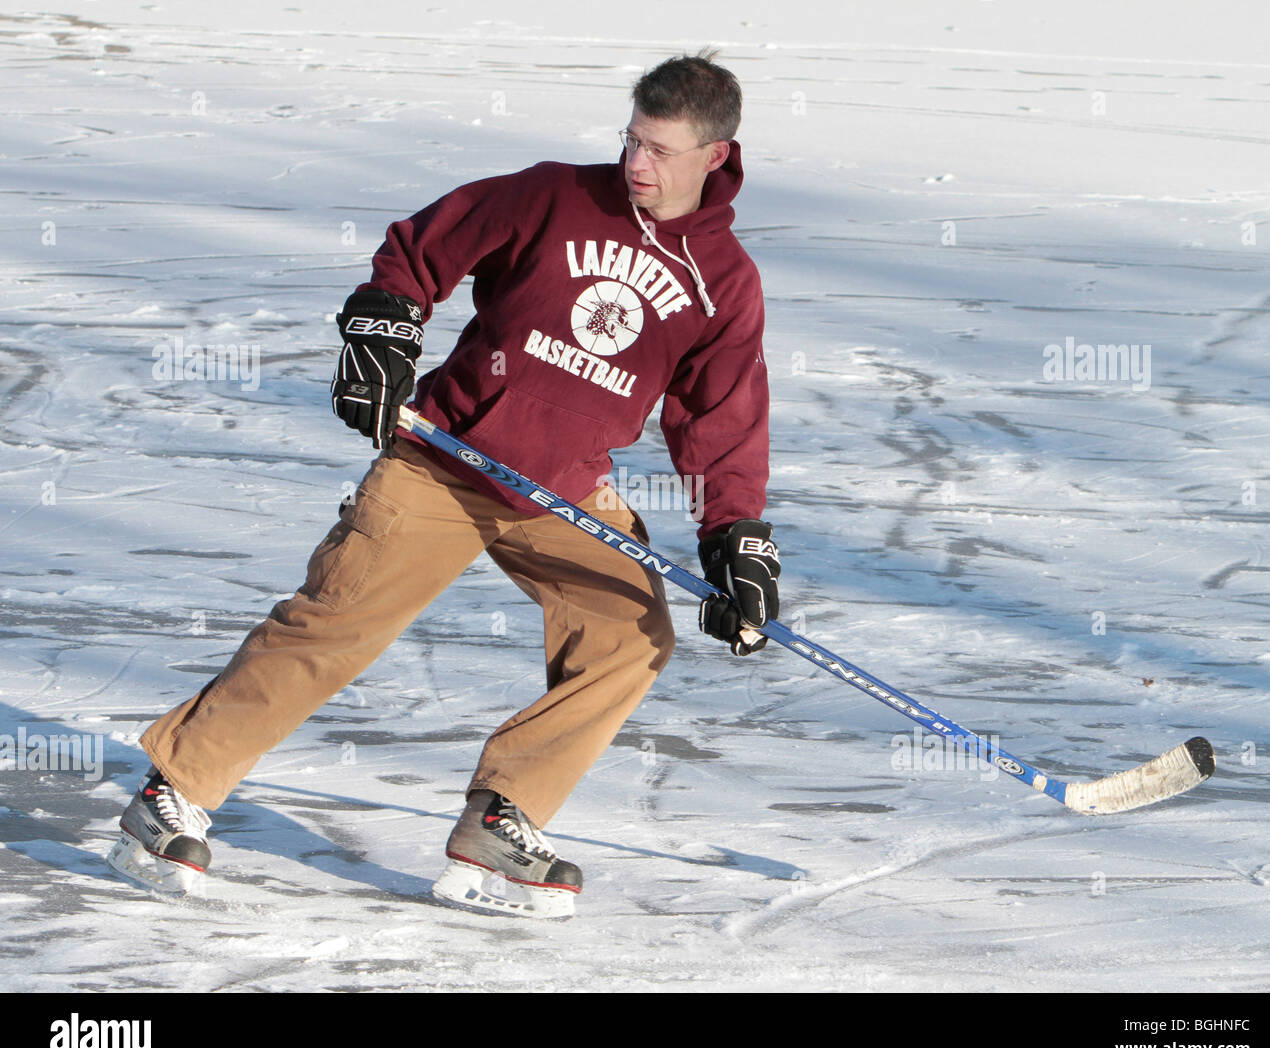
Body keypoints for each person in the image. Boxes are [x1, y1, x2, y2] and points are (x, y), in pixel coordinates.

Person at [107, 50, 781, 918]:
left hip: (565, 485)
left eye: (658, 149)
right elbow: (428, 245)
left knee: (630, 634)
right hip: (449, 454)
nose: (635, 163)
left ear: (715, 157)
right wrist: (385, 324)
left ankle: (502, 817)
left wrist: (737, 537)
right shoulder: (552, 195)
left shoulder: (723, 282)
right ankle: (171, 792)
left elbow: (722, 417)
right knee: (337, 618)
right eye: (630, 140)